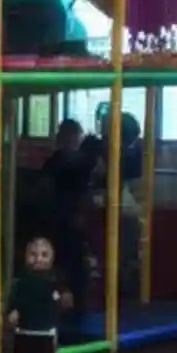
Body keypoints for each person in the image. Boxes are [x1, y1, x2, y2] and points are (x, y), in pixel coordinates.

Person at [41, 119, 99, 332]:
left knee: (68, 265)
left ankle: (70, 308)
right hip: (66, 220)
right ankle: (71, 309)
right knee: (69, 266)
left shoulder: (59, 161)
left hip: (62, 220)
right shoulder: (69, 161)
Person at [6, 237, 69, 353]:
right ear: (26, 257)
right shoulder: (21, 281)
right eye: (33, 254)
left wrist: (64, 299)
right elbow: (15, 301)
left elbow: (62, 300)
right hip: (25, 330)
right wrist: (13, 312)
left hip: (44, 332)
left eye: (43, 255)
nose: (38, 259)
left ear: (51, 258)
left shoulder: (53, 280)